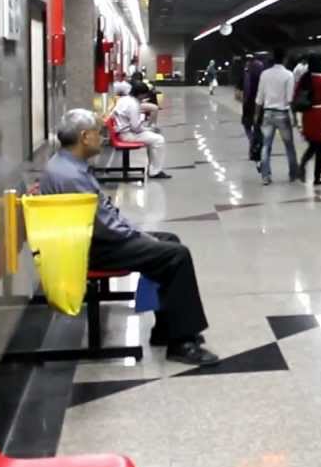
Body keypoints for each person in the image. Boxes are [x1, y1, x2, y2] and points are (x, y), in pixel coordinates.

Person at [40, 109, 219, 366]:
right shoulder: (71, 175)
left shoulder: (67, 164)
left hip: (85, 240)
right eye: (98, 133)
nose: (102, 138)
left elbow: (102, 216)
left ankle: (167, 328)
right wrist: (140, 236)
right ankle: (181, 343)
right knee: (176, 256)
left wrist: (140, 234)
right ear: (84, 137)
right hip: (89, 249)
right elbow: (103, 226)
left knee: (169, 239)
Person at [255, 50, 298, 186]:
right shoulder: (288, 75)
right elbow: (290, 99)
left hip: (267, 113)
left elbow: (259, 98)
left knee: (266, 146)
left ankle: (265, 176)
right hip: (282, 114)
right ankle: (293, 174)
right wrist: (295, 117)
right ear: (285, 59)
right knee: (289, 146)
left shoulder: (265, 74)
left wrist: (257, 116)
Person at [111, 81, 170, 180]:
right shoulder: (133, 105)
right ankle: (155, 171)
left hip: (121, 131)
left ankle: (153, 169)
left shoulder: (124, 99)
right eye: (144, 94)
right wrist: (147, 127)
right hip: (128, 135)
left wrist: (147, 129)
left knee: (153, 139)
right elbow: (135, 127)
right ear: (140, 94)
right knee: (159, 140)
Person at [296, 55, 321, 185]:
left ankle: (303, 163)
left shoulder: (305, 78)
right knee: (320, 148)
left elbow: (296, 95)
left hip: (307, 115)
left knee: (313, 144)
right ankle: (317, 177)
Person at [241, 53, 262, 140]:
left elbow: (243, 90)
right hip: (257, 102)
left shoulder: (247, 73)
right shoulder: (261, 71)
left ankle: (253, 140)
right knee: (256, 124)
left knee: (248, 124)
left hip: (250, 102)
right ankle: (256, 140)